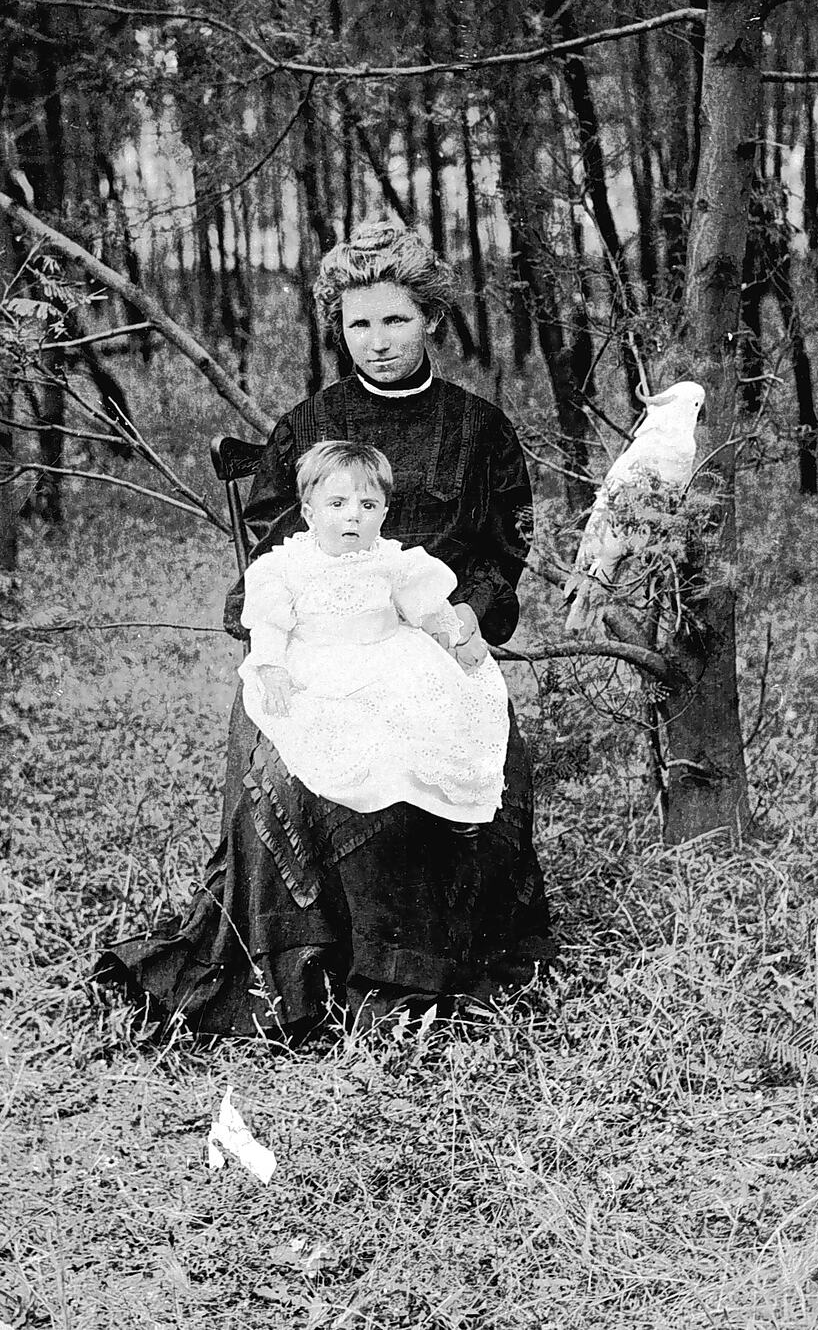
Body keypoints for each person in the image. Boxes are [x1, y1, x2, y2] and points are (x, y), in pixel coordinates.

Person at [98, 221, 553, 1037]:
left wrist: (467, 617)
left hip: (431, 638)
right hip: (321, 642)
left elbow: (498, 553)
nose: (378, 342)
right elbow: (273, 554)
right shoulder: (311, 423)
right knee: (277, 762)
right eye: (359, 324)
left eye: (396, 320)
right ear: (338, 328)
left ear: (432, 321)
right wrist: (285, 637)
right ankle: (304, 960)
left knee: (450, 748)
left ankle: (414, 965)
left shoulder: (479, 429)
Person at [238, 438, 510, 825]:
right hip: (318, 663)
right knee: (339, 730)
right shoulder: (286, 567)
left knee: (427, 718)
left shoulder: (389, 560)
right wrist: (270, 666)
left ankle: (429, 805)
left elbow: (428, 606)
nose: (354, 517)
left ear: (383, 514)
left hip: (389, 656)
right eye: (338, 504)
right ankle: (365, 808)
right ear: (309, 514)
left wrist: (451, 635)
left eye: (367, 506)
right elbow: (268, 624)